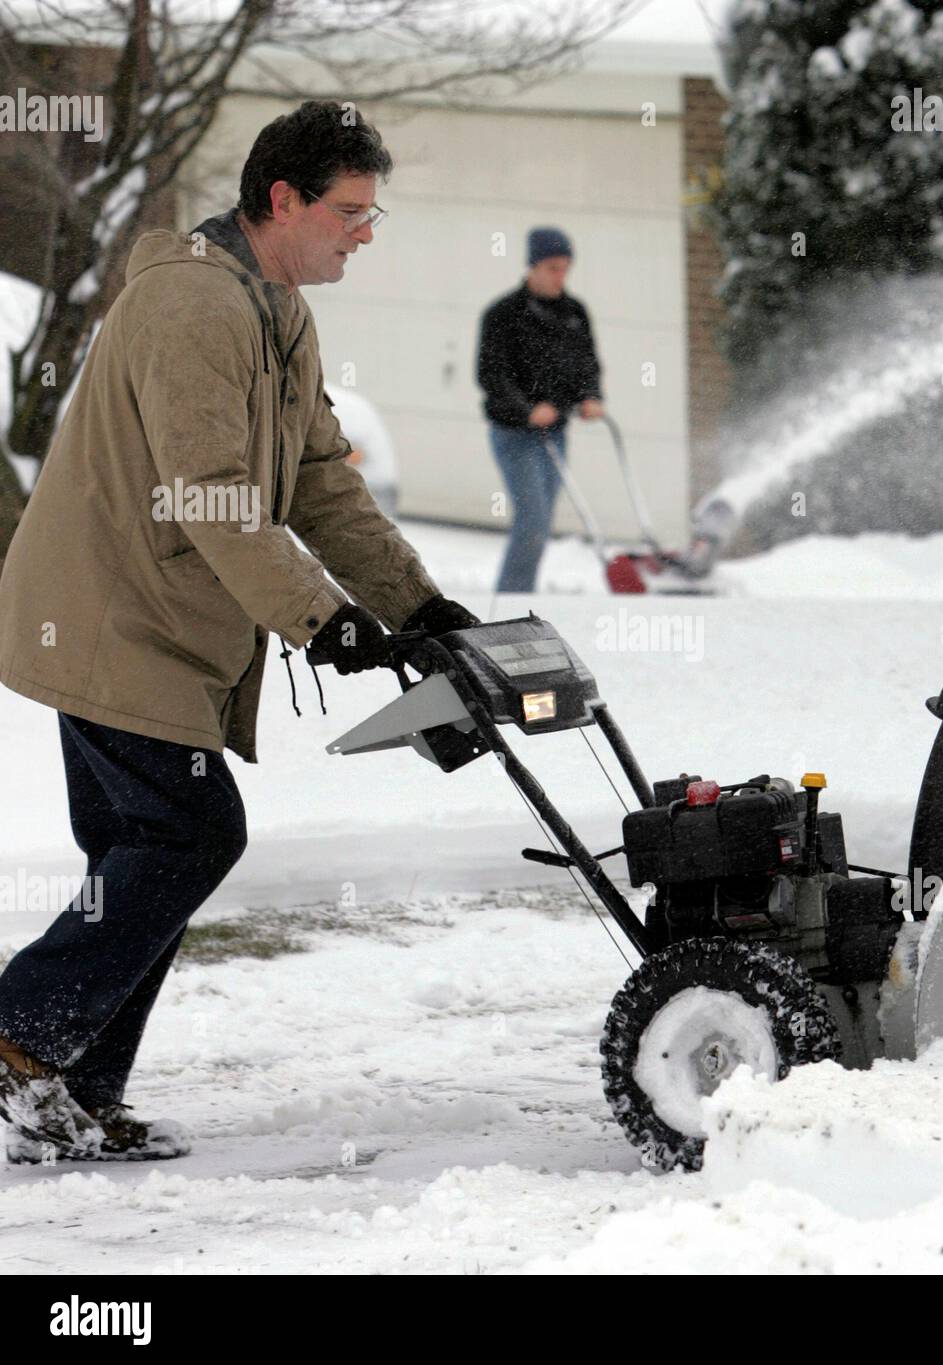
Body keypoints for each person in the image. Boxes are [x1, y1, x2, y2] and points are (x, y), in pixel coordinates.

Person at [0, 100, 476, 1162]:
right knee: (189, 834)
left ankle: (64, 1087)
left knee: (138, 854)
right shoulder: (192, 310)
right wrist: (322, 620)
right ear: (282, 200)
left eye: (372, 211)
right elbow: (214, 494)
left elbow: (317, 483)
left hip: (161, 618)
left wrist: (415, 607)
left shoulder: (278, 310)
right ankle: (19, 1040)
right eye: (349, 211)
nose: (365, 230)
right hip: (109, 618)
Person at [476, 227, 604, 593]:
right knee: (532, 521)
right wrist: (526, 410)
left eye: (565, 268)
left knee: (541, 523)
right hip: (514, 435)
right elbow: (490, 375)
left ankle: (520, 594)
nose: (560, 276)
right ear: (533, 265)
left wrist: (590, 397)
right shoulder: (503, 314)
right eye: (552, 268)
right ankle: (512, 600)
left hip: (556, 433)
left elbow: (587, 364)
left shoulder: (574, 313)